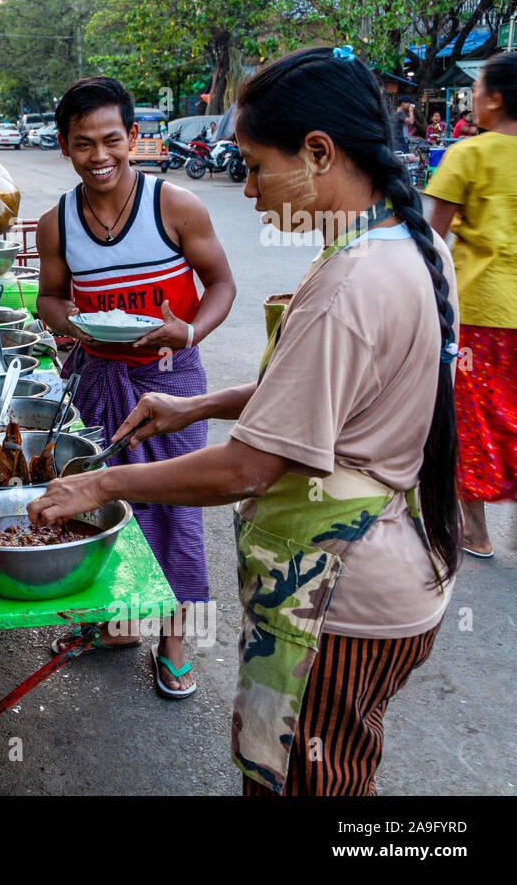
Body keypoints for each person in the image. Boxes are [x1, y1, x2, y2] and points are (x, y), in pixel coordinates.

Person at [30, 47, 461, 796]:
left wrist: (99, 484)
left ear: (319, 152)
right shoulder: (402, 247)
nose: (251, 190)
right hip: (378, 578)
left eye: (257, 166)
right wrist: (198, 404)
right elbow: (313, 393)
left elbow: (246, 469)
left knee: (305, 786)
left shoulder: (353, 281)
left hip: (339, 599)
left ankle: (174, 641)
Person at [36, 77, 237, 697]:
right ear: (65, 147)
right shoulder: (56, 223)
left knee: (176, 506)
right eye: (83, 144)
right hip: (98, 380)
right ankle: (121, 622)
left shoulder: (175, 205)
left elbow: (222, 286)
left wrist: (188, 332)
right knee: (109, 505)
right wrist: (72, 321)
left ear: (133, 137)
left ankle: (174, 641)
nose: (100, 156)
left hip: (172, 380)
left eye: (111, 140)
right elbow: (49, 298)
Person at [425, 50, 517, 558]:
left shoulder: (468, 154)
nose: (473, 99)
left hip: (481, 311)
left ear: (496, 98)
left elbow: (432, 240)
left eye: (477, 89)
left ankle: (477, 531)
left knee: (472, 418)